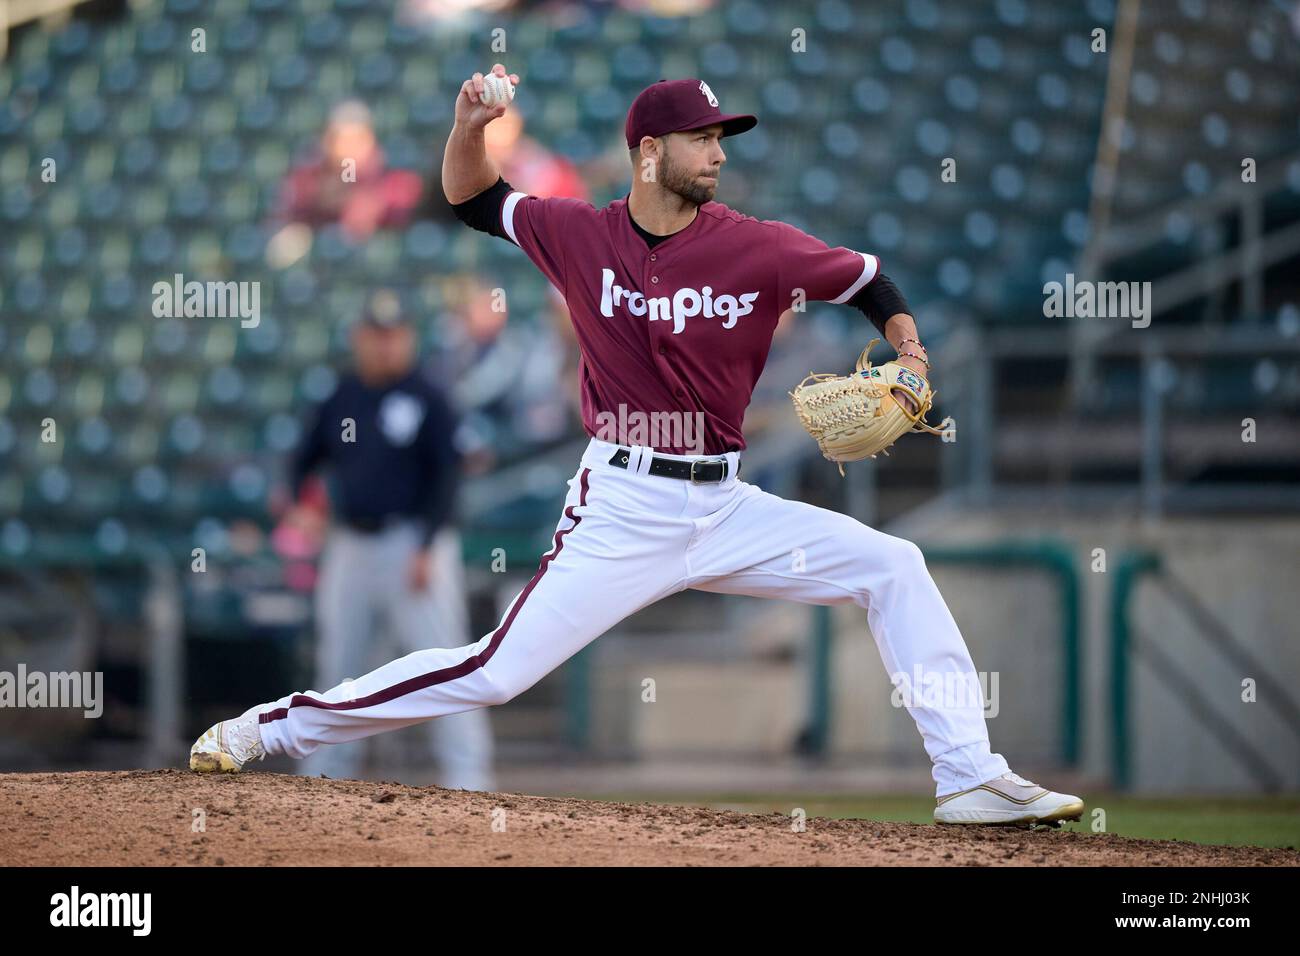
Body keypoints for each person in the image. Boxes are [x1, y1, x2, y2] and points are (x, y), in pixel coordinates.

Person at [192, 69, 1082, 827]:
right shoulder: (580, 235)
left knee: (894, 565)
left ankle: (967, 775)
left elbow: (865, 278)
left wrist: (912, 352)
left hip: (728, 504)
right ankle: (276, 726)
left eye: (722, 138)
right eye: (703, 138)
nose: (721, 154)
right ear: (650, 152)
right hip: (624, 505)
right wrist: (469, 128)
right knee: (494, 672)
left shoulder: (760, 248)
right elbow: (471, 198)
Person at [277, 289, 494, 791]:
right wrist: (299, 505)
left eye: (393, 336)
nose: (384, 346)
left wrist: (428, 545)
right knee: (339, 668)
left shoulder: (429, 395)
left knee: (446, 669)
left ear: (409, 339)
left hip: (415, 545)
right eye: (375, 335)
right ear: (358, 339)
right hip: (351, 546)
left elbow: (449, 477)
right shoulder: (342, 395)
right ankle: (324, 783)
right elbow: (302, 460)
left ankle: (472, 784)